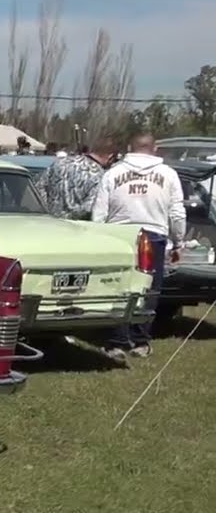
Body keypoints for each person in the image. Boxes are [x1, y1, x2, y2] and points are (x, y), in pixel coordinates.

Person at [92, 133, 186, 359]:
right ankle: (141, 340)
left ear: (128, 147)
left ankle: (117, 340)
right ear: (155, 148)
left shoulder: (113, 174)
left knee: (119, 287)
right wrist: (179, 241)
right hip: (153, 234)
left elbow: (99, 211)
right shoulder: (168, 174)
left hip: (119, 235)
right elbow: (177, 212)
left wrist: (97, 237)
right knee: (149, 289)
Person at [33, 137, 117, 221]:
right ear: (110, 157)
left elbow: (38, 188)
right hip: (75, 228)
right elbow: (89, 208)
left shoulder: (60, 162)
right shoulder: (100, 176)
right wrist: (67, 218)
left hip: (49, 223)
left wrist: (48, 211)